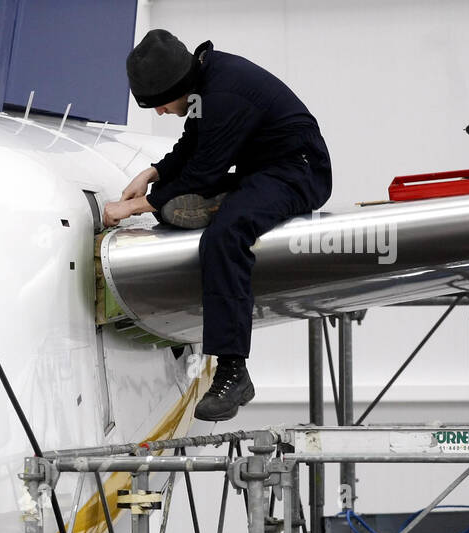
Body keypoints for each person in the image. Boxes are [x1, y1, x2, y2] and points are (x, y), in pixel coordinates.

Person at [103, 30, 332, 421]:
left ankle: (233, 372)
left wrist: (136, 208)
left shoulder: (224, 96)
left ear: (176, 86)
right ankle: (228, 204)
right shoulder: (204, 84)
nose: (159, 113)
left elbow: (205, 171)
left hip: (297, 172)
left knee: (225, 237)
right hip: (261, 170)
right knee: (181, 201)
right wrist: (153, 172)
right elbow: (193, 143)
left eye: (159, 104)